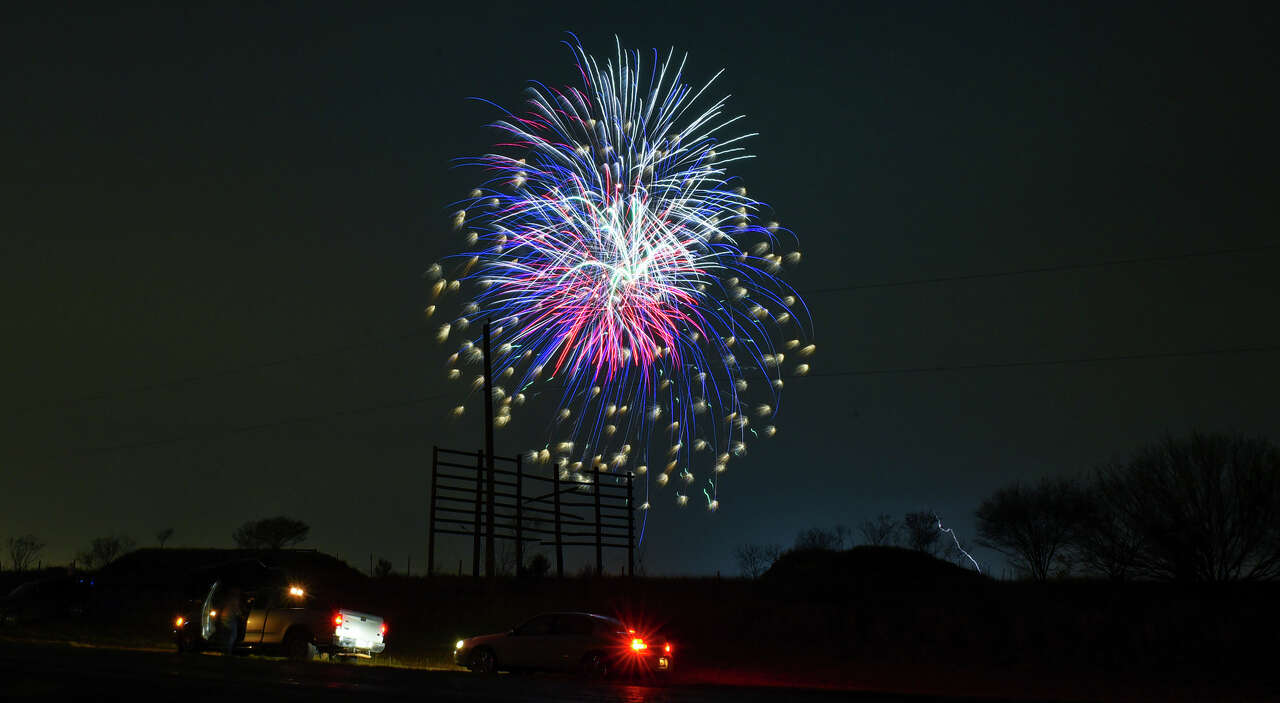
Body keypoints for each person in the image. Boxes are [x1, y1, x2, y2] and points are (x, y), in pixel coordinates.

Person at [220, 585, 242, 655]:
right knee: (234, 635)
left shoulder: (228, 599)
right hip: (230, 619)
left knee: (227, 635)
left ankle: (225, 649)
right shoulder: (235, 599)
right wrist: (241, 615)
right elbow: (236, 610)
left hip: (224, 618)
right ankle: (229, 650)